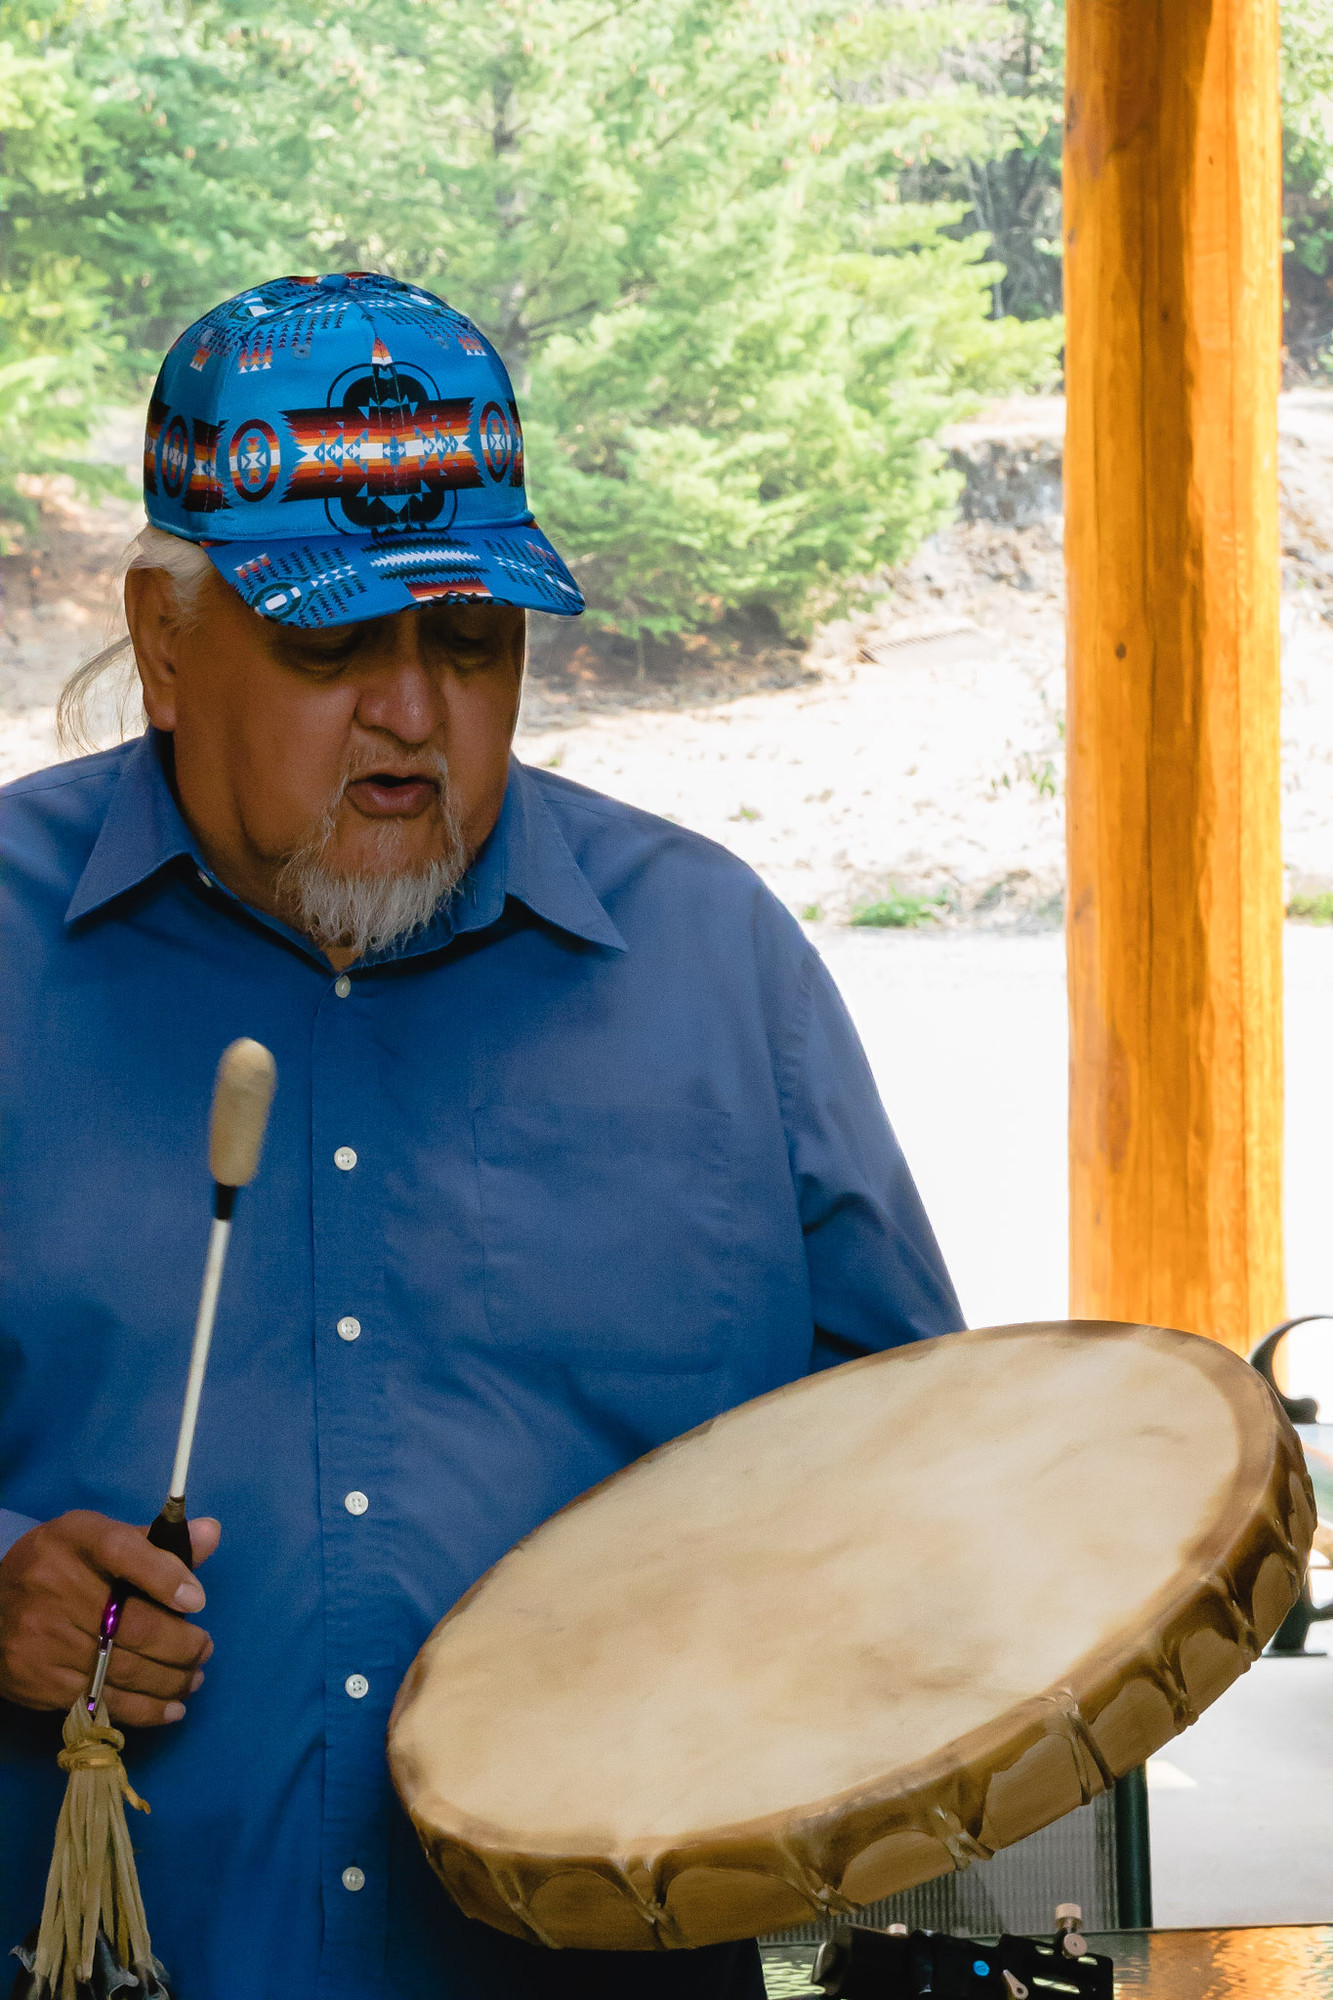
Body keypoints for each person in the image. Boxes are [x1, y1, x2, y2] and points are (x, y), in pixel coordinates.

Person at [0, 272, 963, 2000]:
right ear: (162, 641)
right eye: (327, 648)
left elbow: (909, 1482)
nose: (411, 712)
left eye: (469, 640)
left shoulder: (713, 958)